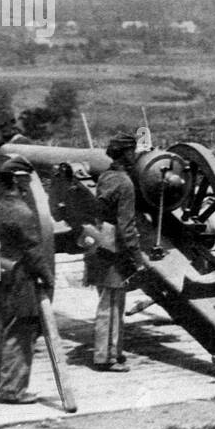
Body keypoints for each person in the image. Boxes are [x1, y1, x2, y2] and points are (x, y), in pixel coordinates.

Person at [0, 157, 53, 404]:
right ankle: (12, 390)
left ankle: (2, 385)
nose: (29, 181)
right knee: (21, 332)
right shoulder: (22, 211)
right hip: (20, 276)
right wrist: (47, 278)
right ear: (16, 179)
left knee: (6, 328)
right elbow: (34, 251)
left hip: (1, 269)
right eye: (26, 177)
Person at [83, 132, 149, 370]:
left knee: (107, 302)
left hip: (99, 242)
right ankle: (106, 357)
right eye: (132, 151)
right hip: (113, 250)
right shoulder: (124, 183)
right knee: (111, 306)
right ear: (125, 154)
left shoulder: (106, 176)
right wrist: (138, 258)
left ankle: (110, 353)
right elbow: (127, 226)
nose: (135, 155)